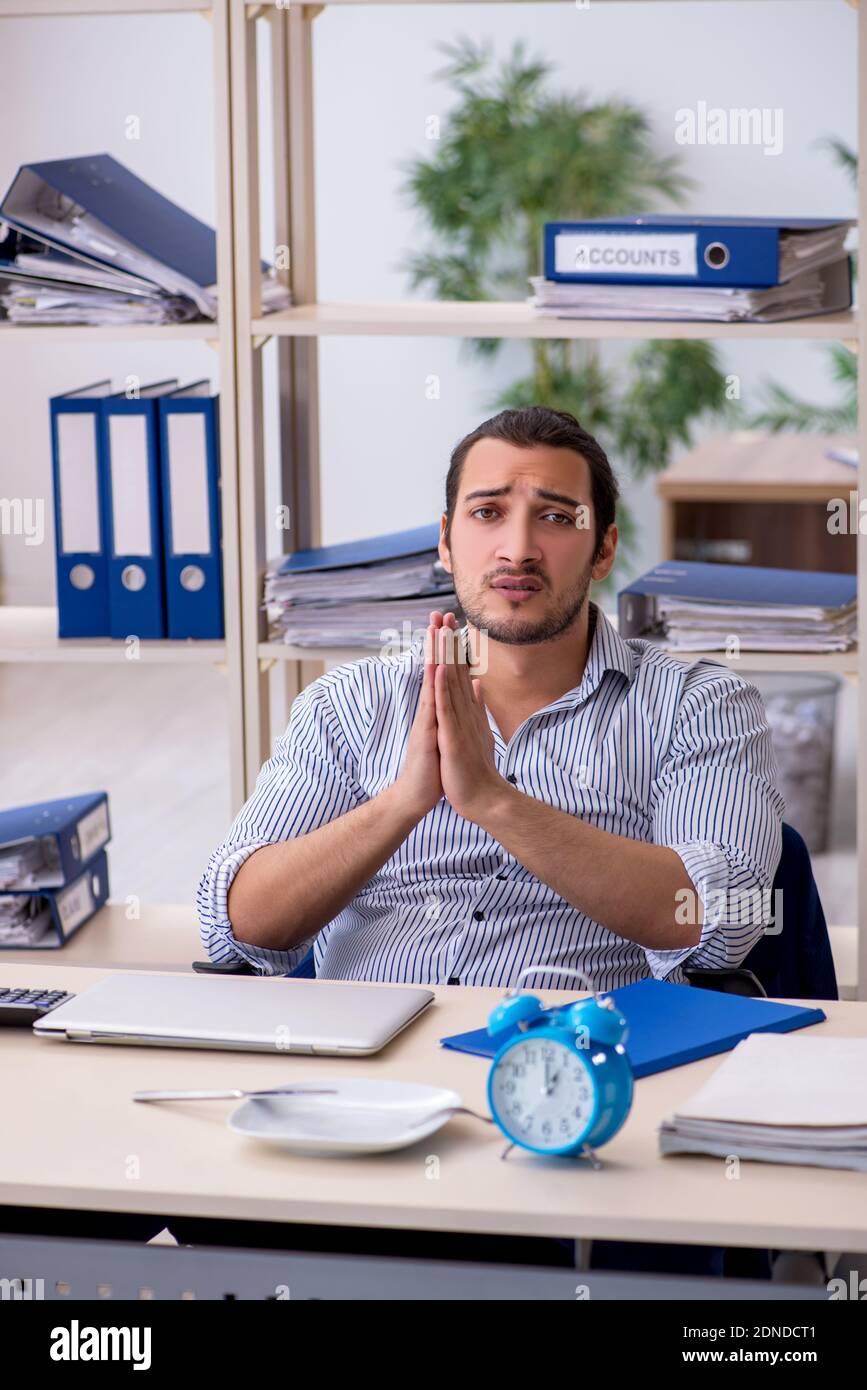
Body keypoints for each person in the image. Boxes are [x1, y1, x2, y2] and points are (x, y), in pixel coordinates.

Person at [197, 405, 784, 992]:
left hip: (583, 1055)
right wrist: (402, 803)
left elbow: (725, 916)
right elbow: (236, 925)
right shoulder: (348, 704)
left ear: (603, 550)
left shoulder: (701, 706)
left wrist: (495, 802)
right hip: (371, 1059)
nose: (517, 549)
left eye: (555, 516)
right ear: (447, 543)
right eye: (487, 513)